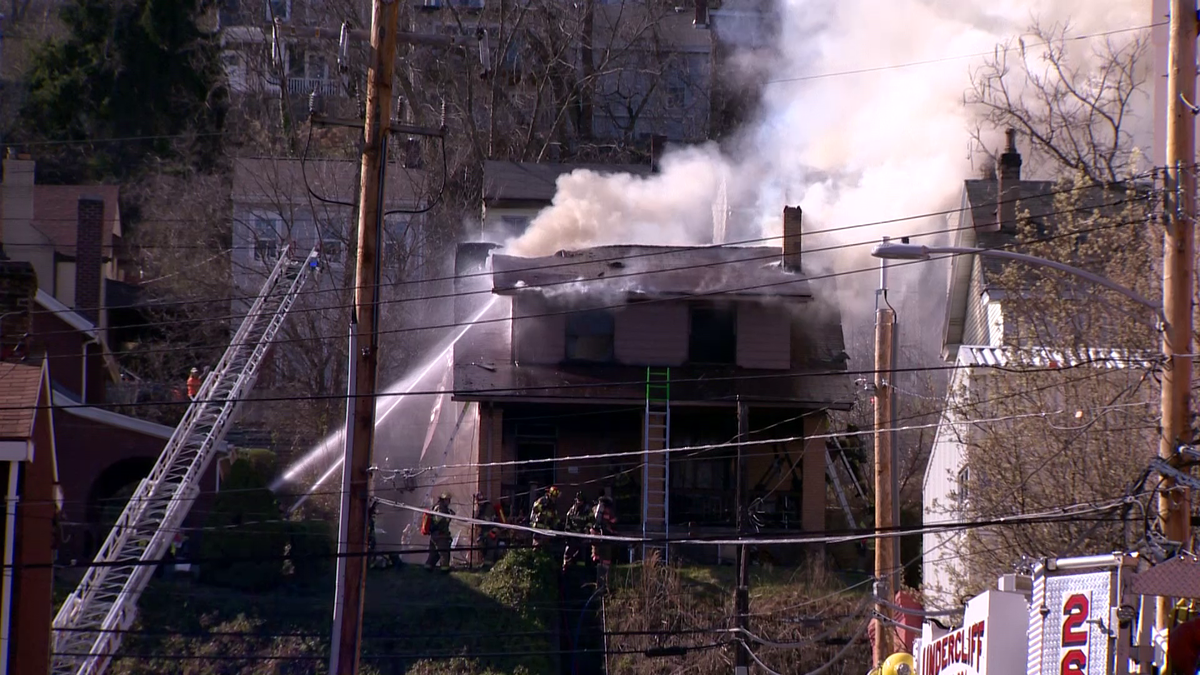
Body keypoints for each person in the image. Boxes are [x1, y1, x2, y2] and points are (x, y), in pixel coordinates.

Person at [422, 492, 455, 571]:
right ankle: (444, 570)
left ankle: (428, 568)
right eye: (448, 500)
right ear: (444, 499)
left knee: (434, 554)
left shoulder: (441, 507)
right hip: (440, 535)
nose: (449, 502)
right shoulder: (440, 507)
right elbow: (438, 520)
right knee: (444, 553)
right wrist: (449, 516)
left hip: (436, 535)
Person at [591, 495, 617, 591]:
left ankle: (597, 584)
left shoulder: (594, 509)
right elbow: (614, 523)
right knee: (606, 561)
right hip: (606, 540)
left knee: (597, 560)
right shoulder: (609, 511)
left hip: (595, 540)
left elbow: (591, 523)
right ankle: (604, 585)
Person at [562, 492, 592, 572]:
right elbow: (568, 521)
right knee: (568, 553)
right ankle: (566, 569)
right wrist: (567, 534)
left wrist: (587, 528)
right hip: (572, 537)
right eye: (578, 500)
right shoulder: (572, 510)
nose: (578, 502)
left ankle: (580, 571)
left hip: (582, 537)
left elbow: (592, 521)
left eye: (580, 501)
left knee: (581, 555)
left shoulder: (587, 510)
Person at [474, 493, 502, 566]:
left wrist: (481, 520)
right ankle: (485, 561)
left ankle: (488, 563)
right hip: (485, 530)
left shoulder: (488, 507)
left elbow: (488, 520)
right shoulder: (480, 508)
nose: (478, 502)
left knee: (490, 545)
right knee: (480, 543)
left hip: (492, 529)